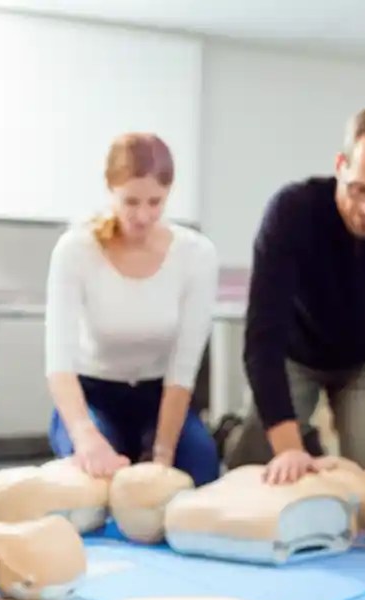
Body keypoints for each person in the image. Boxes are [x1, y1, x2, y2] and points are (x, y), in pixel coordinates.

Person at [223, 109, 365, 484]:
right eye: (361, 190)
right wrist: (290, 450)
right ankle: (244, 439)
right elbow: (263, 337)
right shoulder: (292, 211)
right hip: (295, 354)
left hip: (364, 360)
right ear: (341, 165)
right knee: (258, 467)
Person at [45, 132, 221, 487]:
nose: (143, 216)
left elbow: (183, 369)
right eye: (131, 202)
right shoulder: (75, 250)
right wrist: (85, 436)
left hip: (160, 398)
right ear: (110, 189)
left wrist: (163, 457)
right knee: (93, 479)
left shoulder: (196, 255)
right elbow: (59, 361)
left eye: (155, 202)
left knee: (198, 470)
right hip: (93, 394)